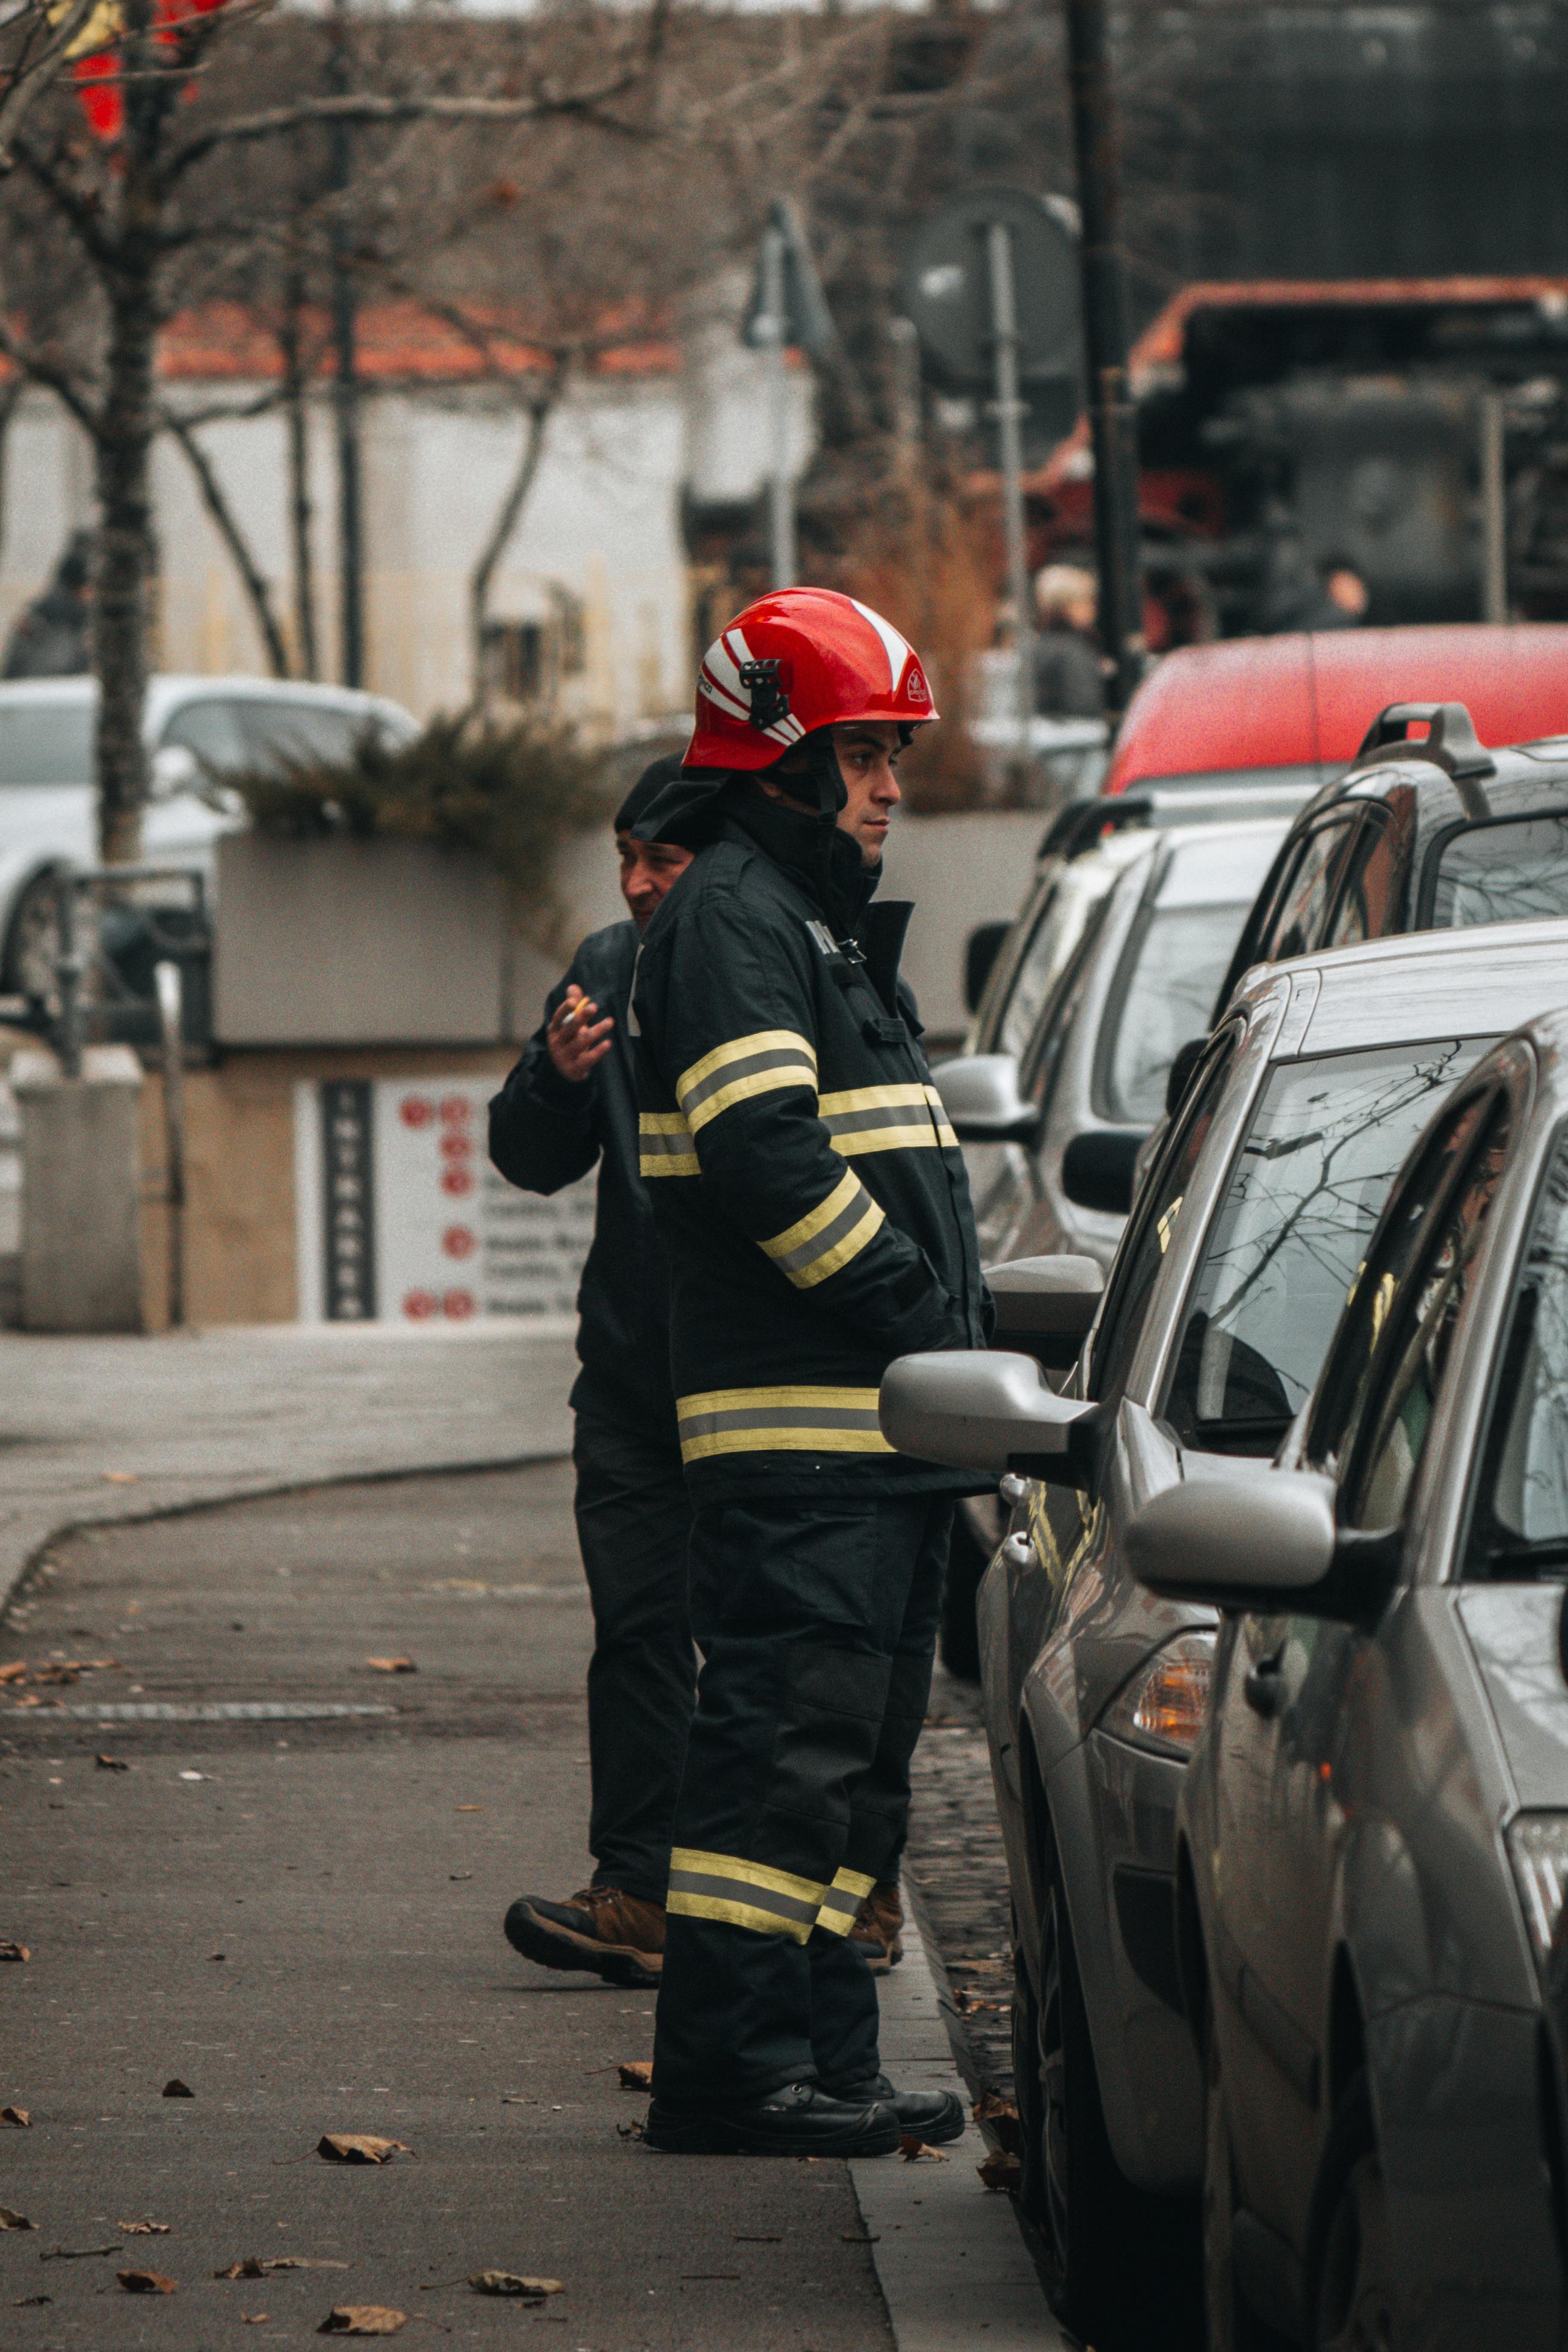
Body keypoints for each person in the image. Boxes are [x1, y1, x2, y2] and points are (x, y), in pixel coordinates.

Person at [626, 588, 992, 2158]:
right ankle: (733, 2069)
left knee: (841, 1789)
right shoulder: (731, 920)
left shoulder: (803, 921)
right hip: (809, 1448)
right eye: (861, 753)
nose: (888, 786)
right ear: (775, 757)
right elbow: (766, 1154)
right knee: (779, 1768)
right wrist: (919, 1313)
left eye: (894, 754)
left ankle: (820, 2058)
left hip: (872, 1446)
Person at [488, 758, 697, 1992]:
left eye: (657, 860)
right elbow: (526, 1157)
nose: (631, 882)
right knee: (636, 1630)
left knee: (776, 1639)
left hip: (752, 1374)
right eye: (623, 856)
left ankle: (835, 1897)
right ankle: (635, 1892)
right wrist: (555, 1078)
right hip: (627, 1371)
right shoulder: (605, 966)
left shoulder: (767, 961)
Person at [1031, 561, 1105, 717]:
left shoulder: (1038, 644)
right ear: (1068, 606)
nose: (1093, 611)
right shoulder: (1072, 651)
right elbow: (1084, 706)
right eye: (1088, 601)